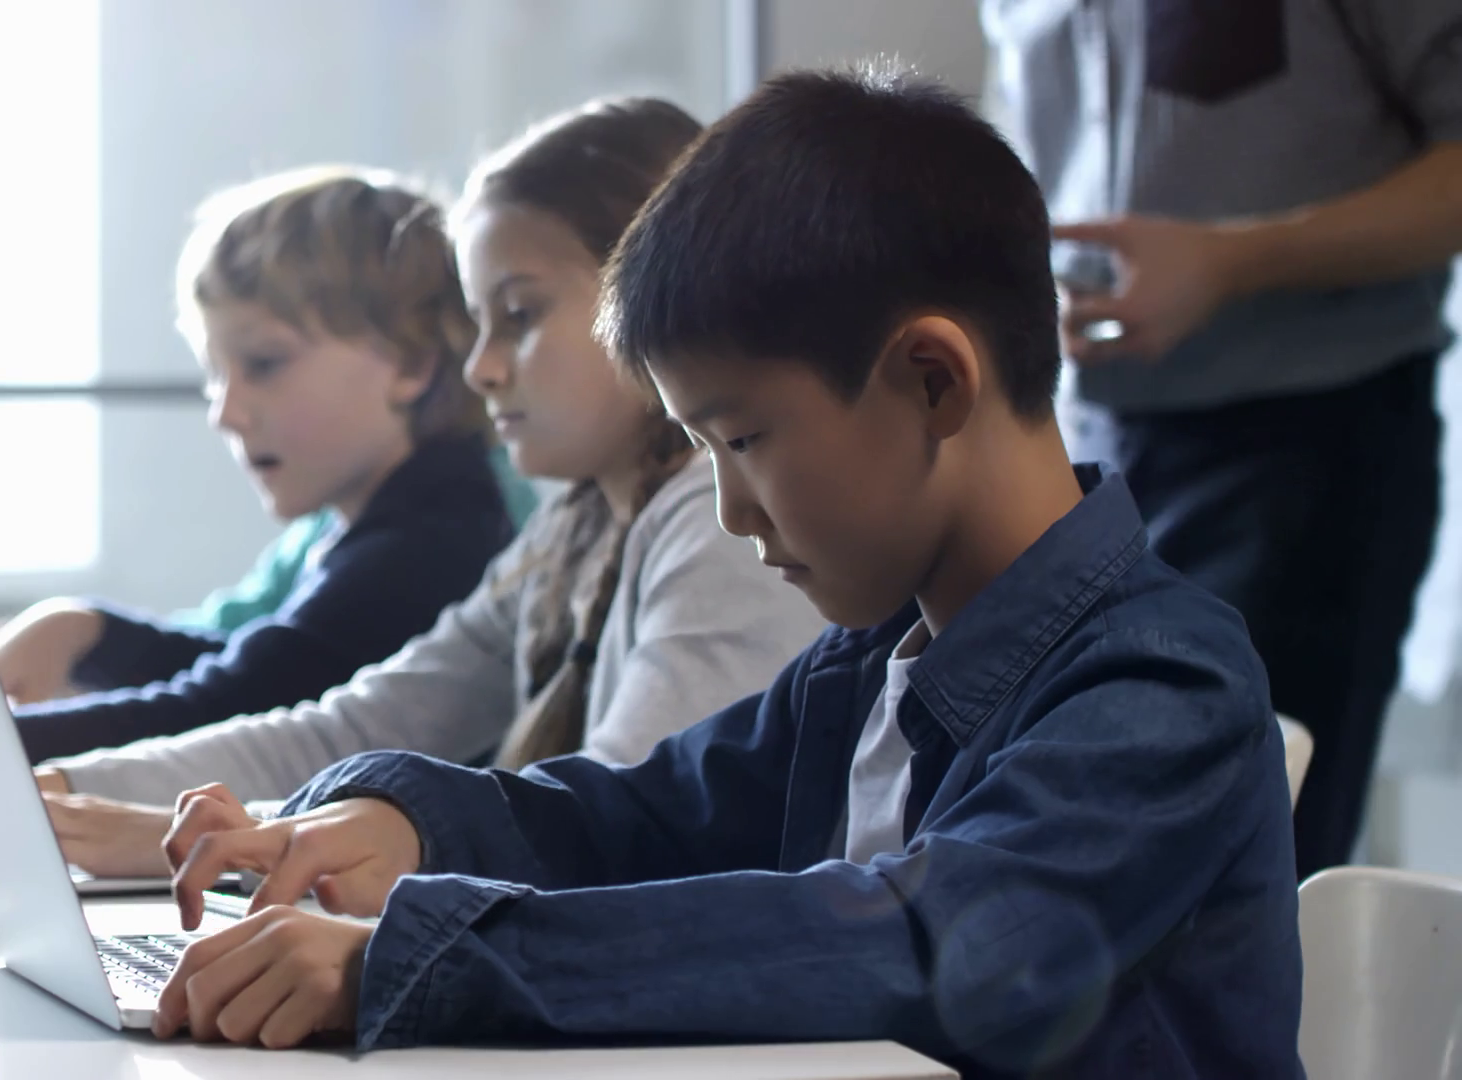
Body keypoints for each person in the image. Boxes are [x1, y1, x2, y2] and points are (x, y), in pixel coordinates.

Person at [148, 69, 1305, 1076]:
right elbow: (638, 816)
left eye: (743, 441)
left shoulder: (1161, 688)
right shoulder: (867, 666)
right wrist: (408, 824)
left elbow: (914, 942)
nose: (731, 510)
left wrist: (418, 954)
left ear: (933, 382)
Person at [0, 97, 822, 879]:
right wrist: (69, 789)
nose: (483, 368)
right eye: (476, 324)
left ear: (661, 296)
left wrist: (237, 840)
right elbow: (350, 728)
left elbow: (612, 828)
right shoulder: (573, 534)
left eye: (521, 316)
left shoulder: (719, 527)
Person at [0, 168, 523, 827]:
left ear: (410, 362)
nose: (228, 412)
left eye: (263, 365)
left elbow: (233, 705)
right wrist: (91, 632)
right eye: (215, 376)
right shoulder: (372, 524)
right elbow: (251, 659)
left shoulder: (432, 545)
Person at [982, 0, 1462, 876]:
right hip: (1082, 457)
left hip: (1308, 452)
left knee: (1238, 892)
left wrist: (1234, 261)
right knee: (1090, 865)